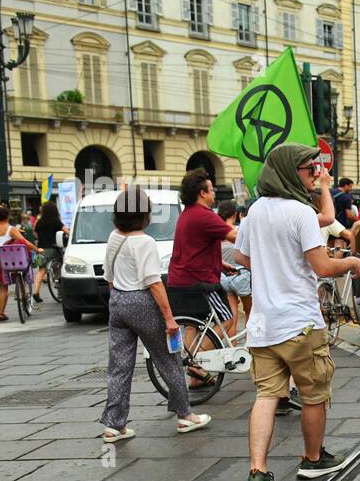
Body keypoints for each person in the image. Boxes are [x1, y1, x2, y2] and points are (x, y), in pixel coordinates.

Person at [232, 144, 360, 481]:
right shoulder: (300, 213)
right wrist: (351, 264)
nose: (314, 173)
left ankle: (258, 471)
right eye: (309, 169)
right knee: (314, 393)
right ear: (291, 172)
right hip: (300, 322)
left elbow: (241, 255)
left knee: (267, 395)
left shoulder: (255, 209)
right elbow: (322, 267)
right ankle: (313, 457)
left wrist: (270, 267)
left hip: (263, 324)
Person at [100, 187, 211, 444]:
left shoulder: (113, 237)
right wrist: (170, 319)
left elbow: (109, 277)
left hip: (117, 301)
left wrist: (119, 299)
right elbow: (154, 283)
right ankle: (185, 415)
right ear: (144, 214)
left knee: (119, 367)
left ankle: (114, 426)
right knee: (168, 358)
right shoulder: (145, 242)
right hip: (142, 301)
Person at [168, 169, 237, 388]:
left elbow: (195, 248)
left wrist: (221, 265)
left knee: (192, 326)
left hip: (180, 280)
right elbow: (234, 236)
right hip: (200, 283)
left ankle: (194, 378)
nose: (214, 193)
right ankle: (196, 363)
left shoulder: (187, 214)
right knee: (227, 318)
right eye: (211, 190)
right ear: (202, 193)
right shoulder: (204, 215)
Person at [0, 206, 37, 322]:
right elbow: (24, 241)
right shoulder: (11, 229)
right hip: (4, 257)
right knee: (3, 287)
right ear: (7, 217)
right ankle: (1, 313)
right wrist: (37, 250)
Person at [217, 201, 251, 338]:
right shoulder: (237, 231)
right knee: (249, 311)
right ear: (235, 214)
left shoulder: (217, 232)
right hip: (241, 275)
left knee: (232, 317)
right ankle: (250, 346)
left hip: (224, 277)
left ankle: (233, 348)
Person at [30, 201, 68, 304]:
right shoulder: (56, 221)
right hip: (53, 249)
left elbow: (36, 235)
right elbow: (67, 231)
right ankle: (59, 285)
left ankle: (36, 292)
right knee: (60, 266)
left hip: (41, 250)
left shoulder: (39, 222)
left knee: (41, 270)